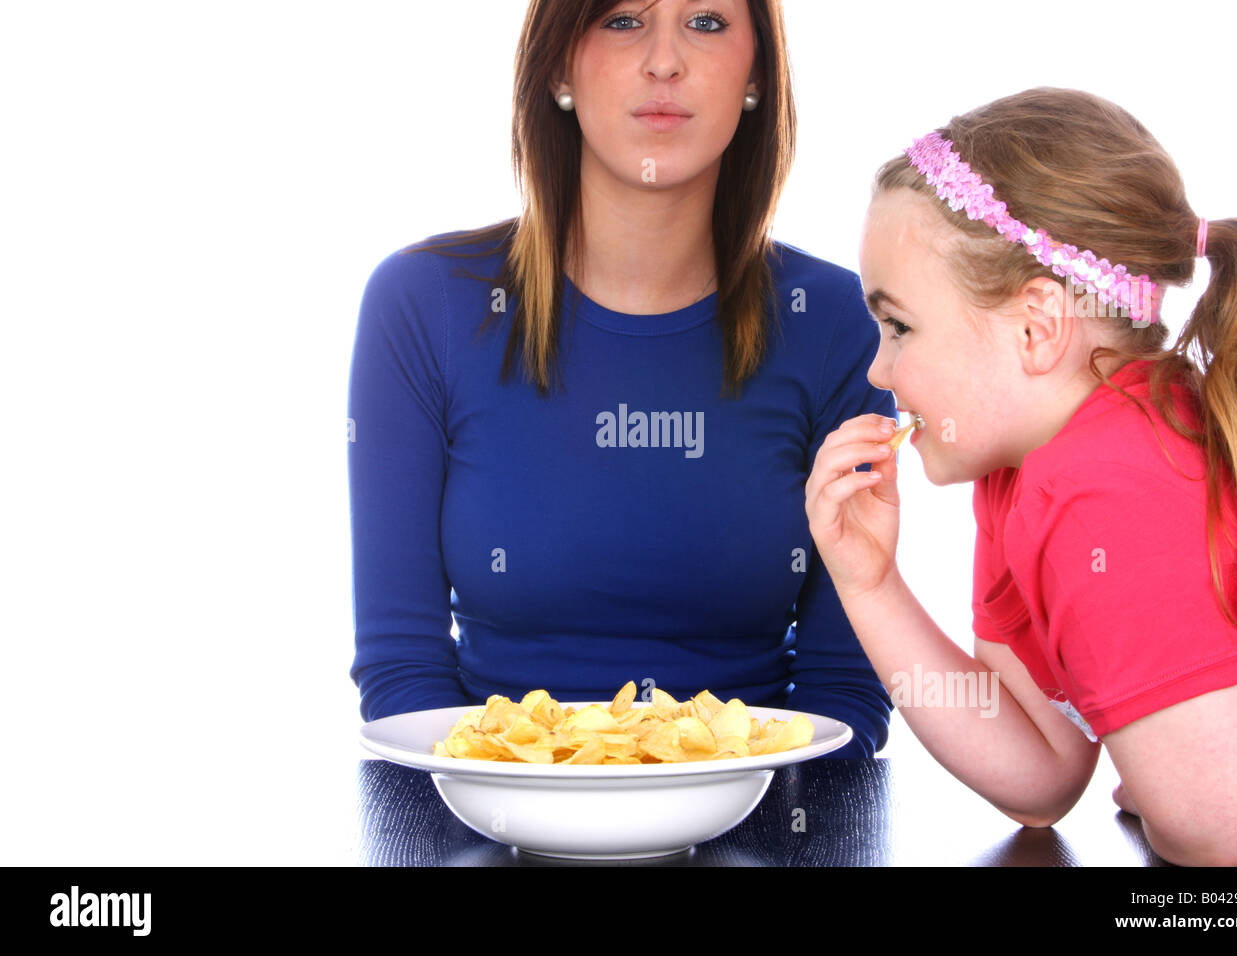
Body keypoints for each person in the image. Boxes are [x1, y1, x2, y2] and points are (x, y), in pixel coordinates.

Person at [347, 0, 894, 758]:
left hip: (759, 816)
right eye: (622, 19)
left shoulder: (837, 321)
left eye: (706, 23)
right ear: (558, 67)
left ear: (758, 76)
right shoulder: (421, 303)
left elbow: (844, 691)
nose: (664, 60)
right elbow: (401, 671)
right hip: (493, 811)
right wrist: (526, 799)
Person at [807, 87, 1237, 863]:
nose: (879, 367)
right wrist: (869, 582)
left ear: (1037, 327)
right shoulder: (1023, 473)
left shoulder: (1102, 488)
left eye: (899, 325)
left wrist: (1175, 792)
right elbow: (1040, 771)